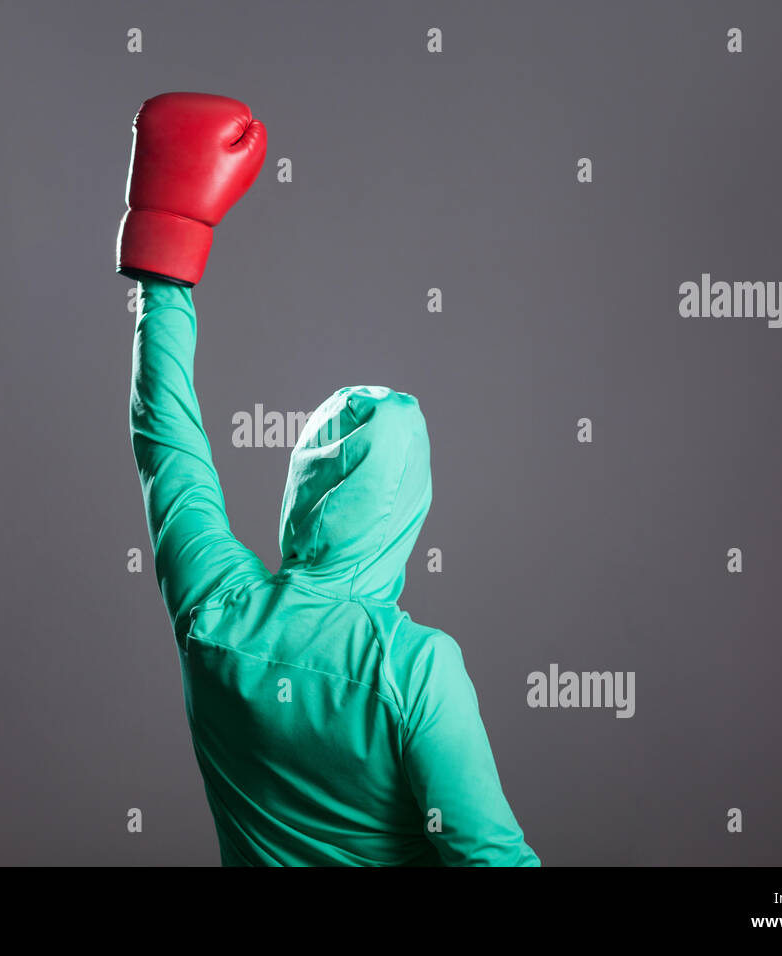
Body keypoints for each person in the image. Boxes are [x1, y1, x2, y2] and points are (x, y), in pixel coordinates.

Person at [117, 92, 539, 866]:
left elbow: (164, 439)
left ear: (301, 487)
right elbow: (492, 860)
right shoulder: (414, 668)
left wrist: (166, 252)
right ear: (410, 506)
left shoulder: (215, 610)